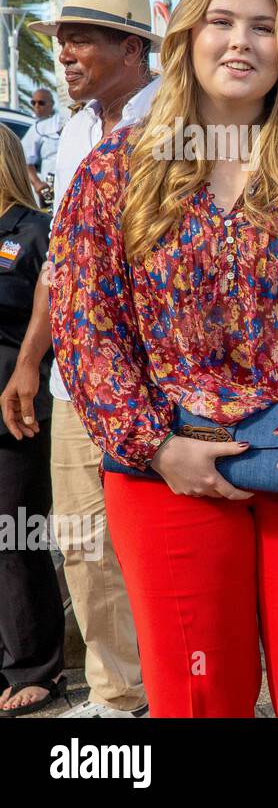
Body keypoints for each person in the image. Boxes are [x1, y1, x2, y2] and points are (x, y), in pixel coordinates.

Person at [49, 0, 278, 718]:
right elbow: (86, 327)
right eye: (221, 21)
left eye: (262, 26)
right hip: (173, 464)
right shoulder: (117, 173)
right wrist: (153, 444)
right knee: (198, 696)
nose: (240, 42)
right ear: (186, 39)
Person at [3, 0, 163, 718]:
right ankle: (118, 692)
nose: (63, 54)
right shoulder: (71, 134)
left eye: (81, 39)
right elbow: (62, 261)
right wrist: (33, 361)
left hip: (162, 378)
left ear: (132, 47)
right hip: (77, 380)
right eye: (60, 41)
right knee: (82, 539)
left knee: (166, 545)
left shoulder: (177, 120)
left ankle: (183, 690)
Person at [0, 126, 66, 716]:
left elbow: (56, 321)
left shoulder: (33, 231)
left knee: (17, 538)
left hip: (17, 409)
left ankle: (36, 668)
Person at [20, 87, 64, 198]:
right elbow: (25, 160)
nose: (36, 106)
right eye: (33, 103)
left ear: (52, 104)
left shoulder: (67, 120)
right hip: (51, 190)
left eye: (41, 103)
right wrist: (37, 183)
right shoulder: (38, 128)